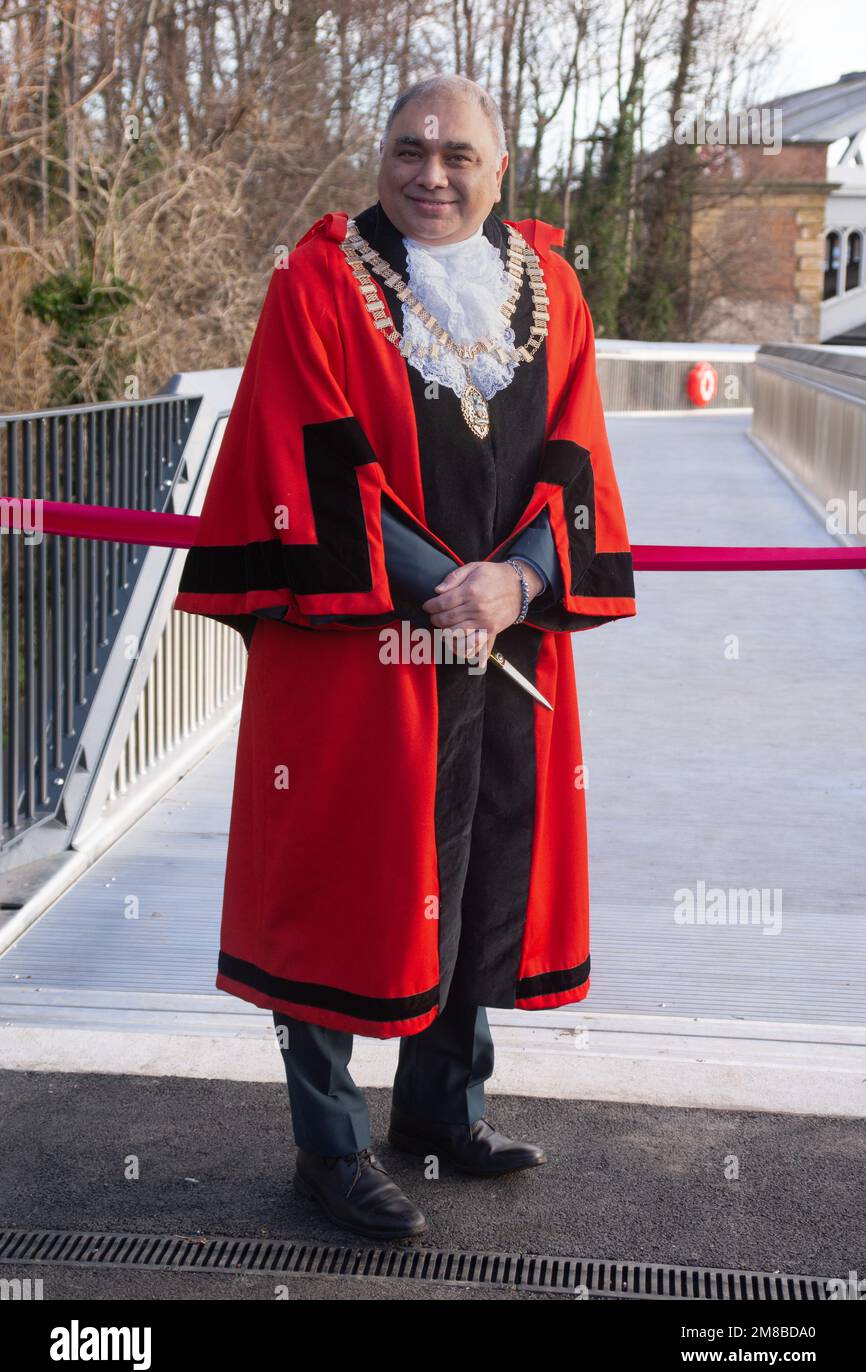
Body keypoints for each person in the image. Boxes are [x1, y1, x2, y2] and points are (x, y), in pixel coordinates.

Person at [173, 73, 636, 1243]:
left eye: (457, 154)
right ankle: (326, 1150)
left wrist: (518, 580)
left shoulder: (551, 284)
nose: (429, 172)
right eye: (407, 148)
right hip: (356, 648)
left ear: (499, 169)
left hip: (501, 634)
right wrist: (445, 585)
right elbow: (309, 458)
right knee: (339, 871)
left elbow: (576, 451)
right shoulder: (317, 280)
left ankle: (440, 1111)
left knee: (480, 856)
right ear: (380, 154)